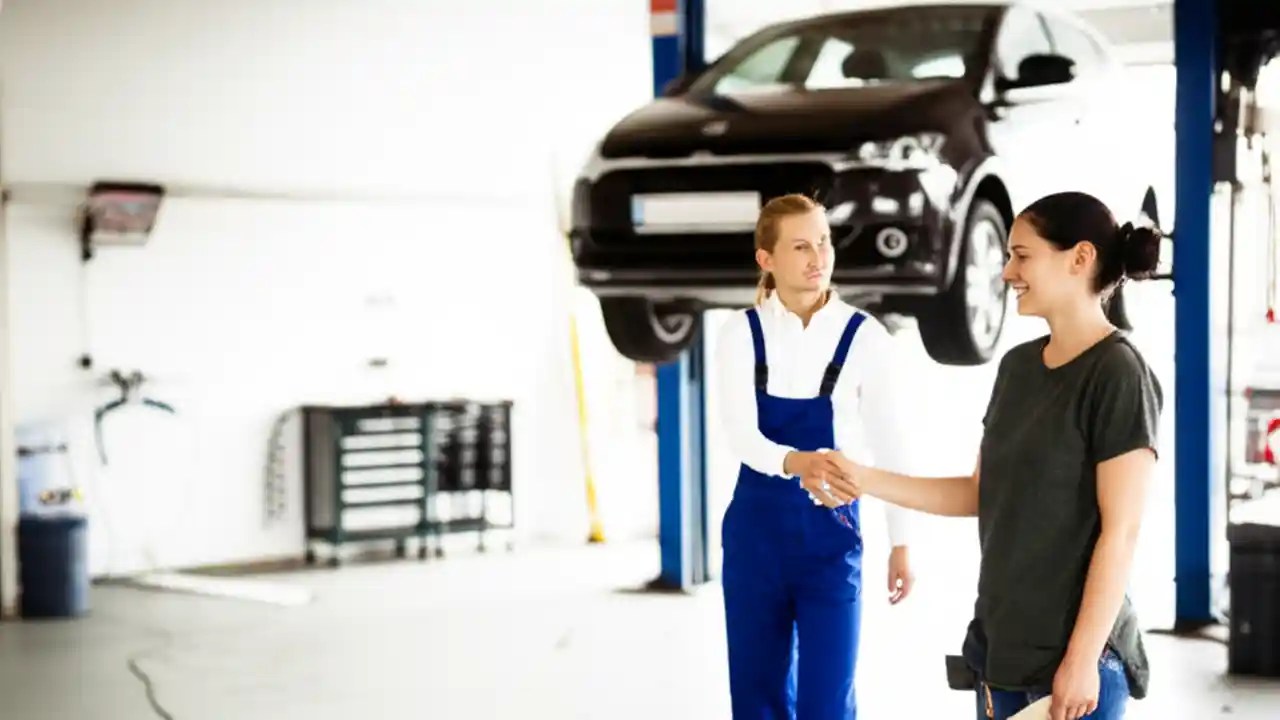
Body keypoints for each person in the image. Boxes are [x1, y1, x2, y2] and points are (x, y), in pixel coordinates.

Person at [838, 191, 1164, 720]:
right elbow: (978, 492)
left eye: (1022, 255)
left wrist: (1081, 661)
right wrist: (861, 477)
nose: (1008, 271)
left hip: (1074, 668)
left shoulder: (1119, 373)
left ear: (1080, 258)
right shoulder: (1017, 368)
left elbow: (1120, 534)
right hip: (999, 657)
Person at [714, 193, 917, 719]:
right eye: (801, 246)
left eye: (824, 242)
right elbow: (741, 435)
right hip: (755, 541)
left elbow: (891, 443)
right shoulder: (741, 334)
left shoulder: (864, 337)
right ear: (767, 259)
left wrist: (901, 542)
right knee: (756, 697)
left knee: (828, 700)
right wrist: (797, 462)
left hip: (832, 539)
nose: (818, 257)